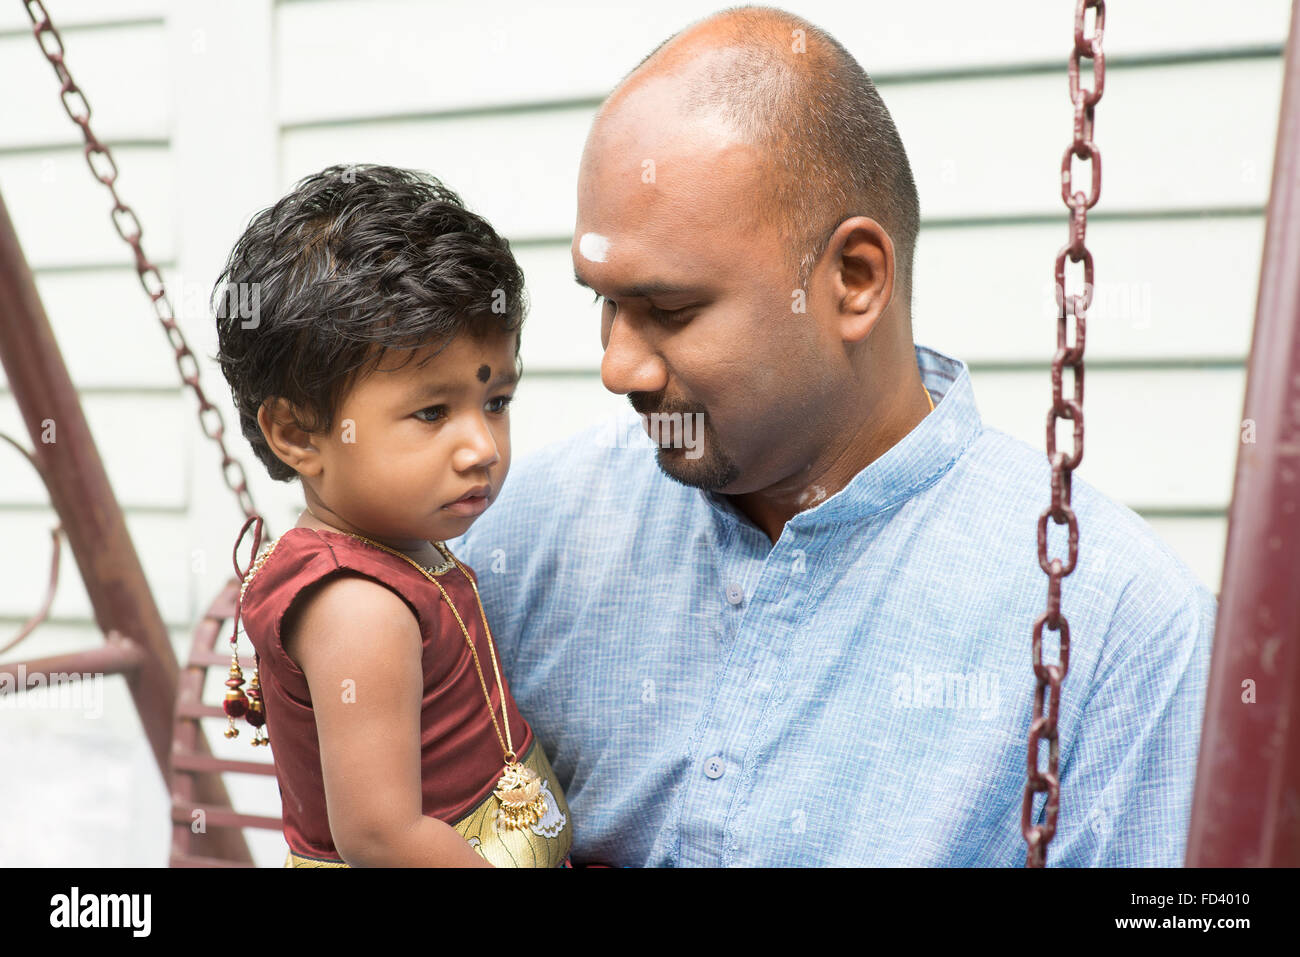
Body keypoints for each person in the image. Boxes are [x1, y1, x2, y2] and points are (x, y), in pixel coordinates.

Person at [448, 6, 1216, 866]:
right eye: (604, 303)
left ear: (854, 280)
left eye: (669, 310)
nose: (618, 368)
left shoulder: (1117, 631)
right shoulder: (517, 541)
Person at [213, 164, 573, 867]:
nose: (481, 447)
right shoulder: (357, 605)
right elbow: (382, 835)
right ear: (298, 433)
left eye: (496, 401)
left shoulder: (401, 542)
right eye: (432, 412)